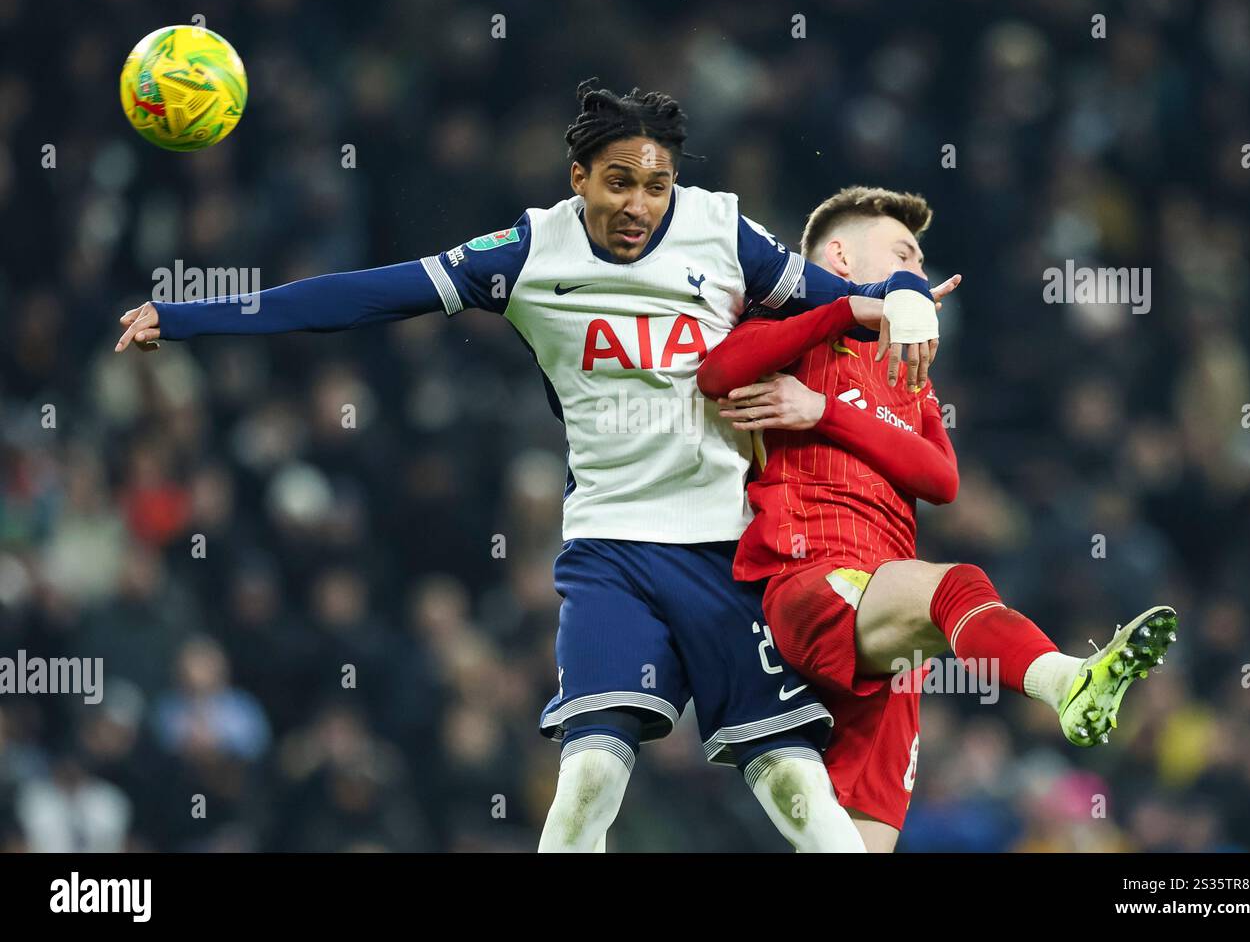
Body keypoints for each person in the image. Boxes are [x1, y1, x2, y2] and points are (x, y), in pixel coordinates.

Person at [114, 81, 953, 852]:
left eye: (655, 185)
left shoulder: (721, 231)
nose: (638, 205)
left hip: (730, 550)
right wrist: (189, 318)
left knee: (798, 788)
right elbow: (365, 294)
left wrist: (909, 298)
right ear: (578, 176)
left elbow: (835, 298)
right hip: (611, 553)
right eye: (617, 182)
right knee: (589, 776)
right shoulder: (528, 252)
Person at [697, 185, 1178, 851]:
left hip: (888, 632)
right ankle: (1064, 680)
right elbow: (717, 372)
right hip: (816, 580)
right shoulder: (796, 333)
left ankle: (1064, 681)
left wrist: (825, 413)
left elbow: (942, 478)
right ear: (838, 255)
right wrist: (843, 313)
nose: (916, 273)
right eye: (903, 254)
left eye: (917, 261)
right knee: (957, 584)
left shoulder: (910, 375)